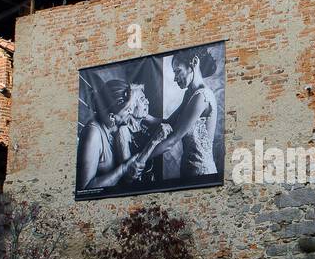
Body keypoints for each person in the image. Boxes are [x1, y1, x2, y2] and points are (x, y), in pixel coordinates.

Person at [76, 79, 170, 191]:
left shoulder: (114, 126)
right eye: (128, 110)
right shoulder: (93, 134)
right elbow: (84, 189)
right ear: (112, 117)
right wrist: (123, 169)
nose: (131, 113)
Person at [143, 48, 219, 178]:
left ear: (194, 63)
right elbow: (169, 123)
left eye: (178, 71)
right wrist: (143, 117)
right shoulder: (190, 94)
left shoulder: (202, 97)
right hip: (187, 171)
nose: (175, 78)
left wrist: (139, 159)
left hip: (202, 173)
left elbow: (173, 139)